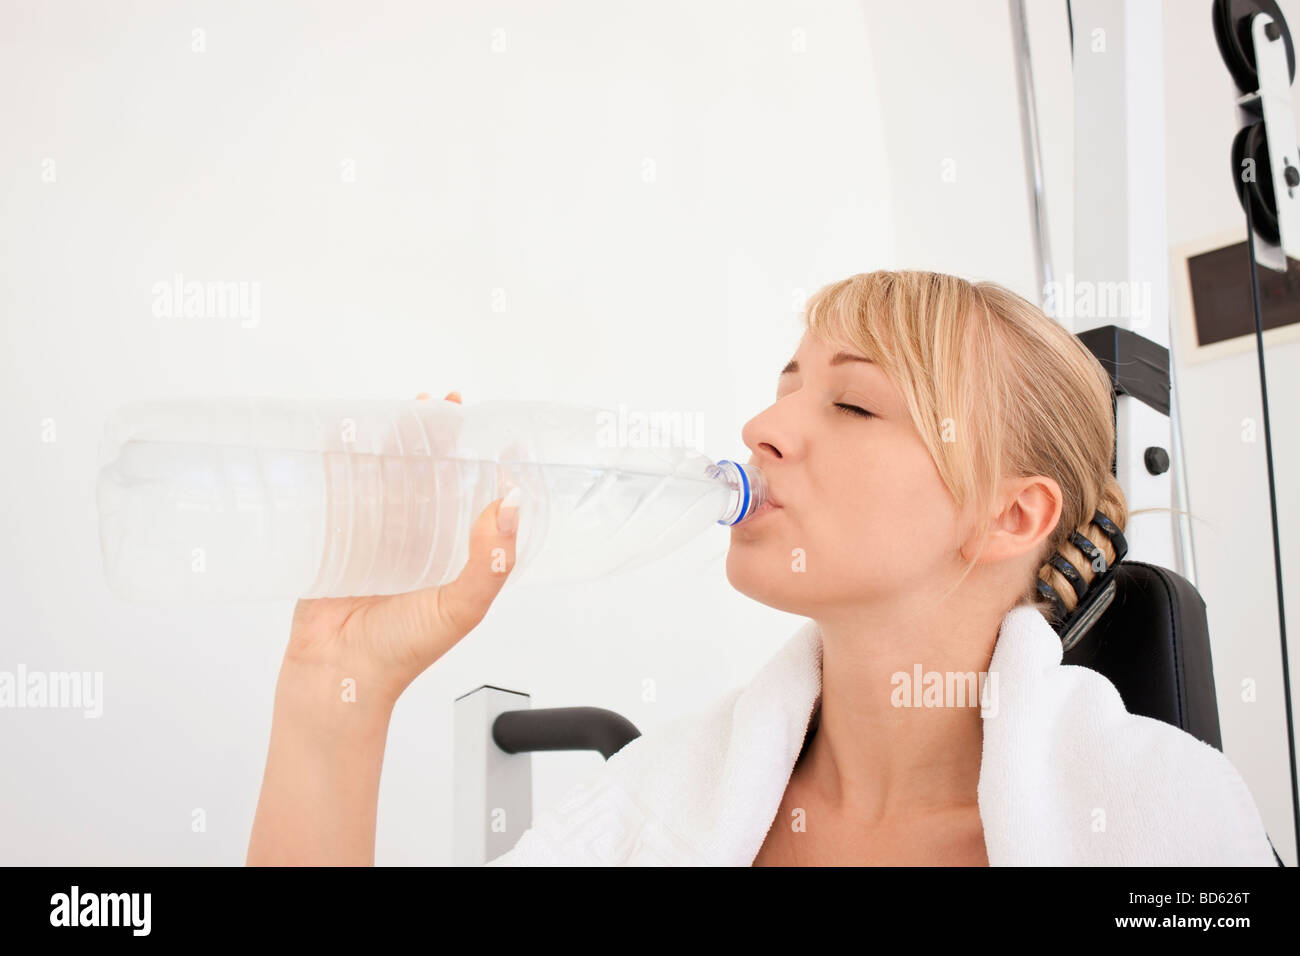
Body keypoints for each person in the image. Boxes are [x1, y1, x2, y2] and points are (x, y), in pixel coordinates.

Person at [245, 270, 1176, 865]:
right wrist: (338, 690)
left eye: (852, 405)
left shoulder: (1159, 837)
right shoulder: (651, 810)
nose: (763, 429)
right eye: (785, 388)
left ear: (1012, 515)